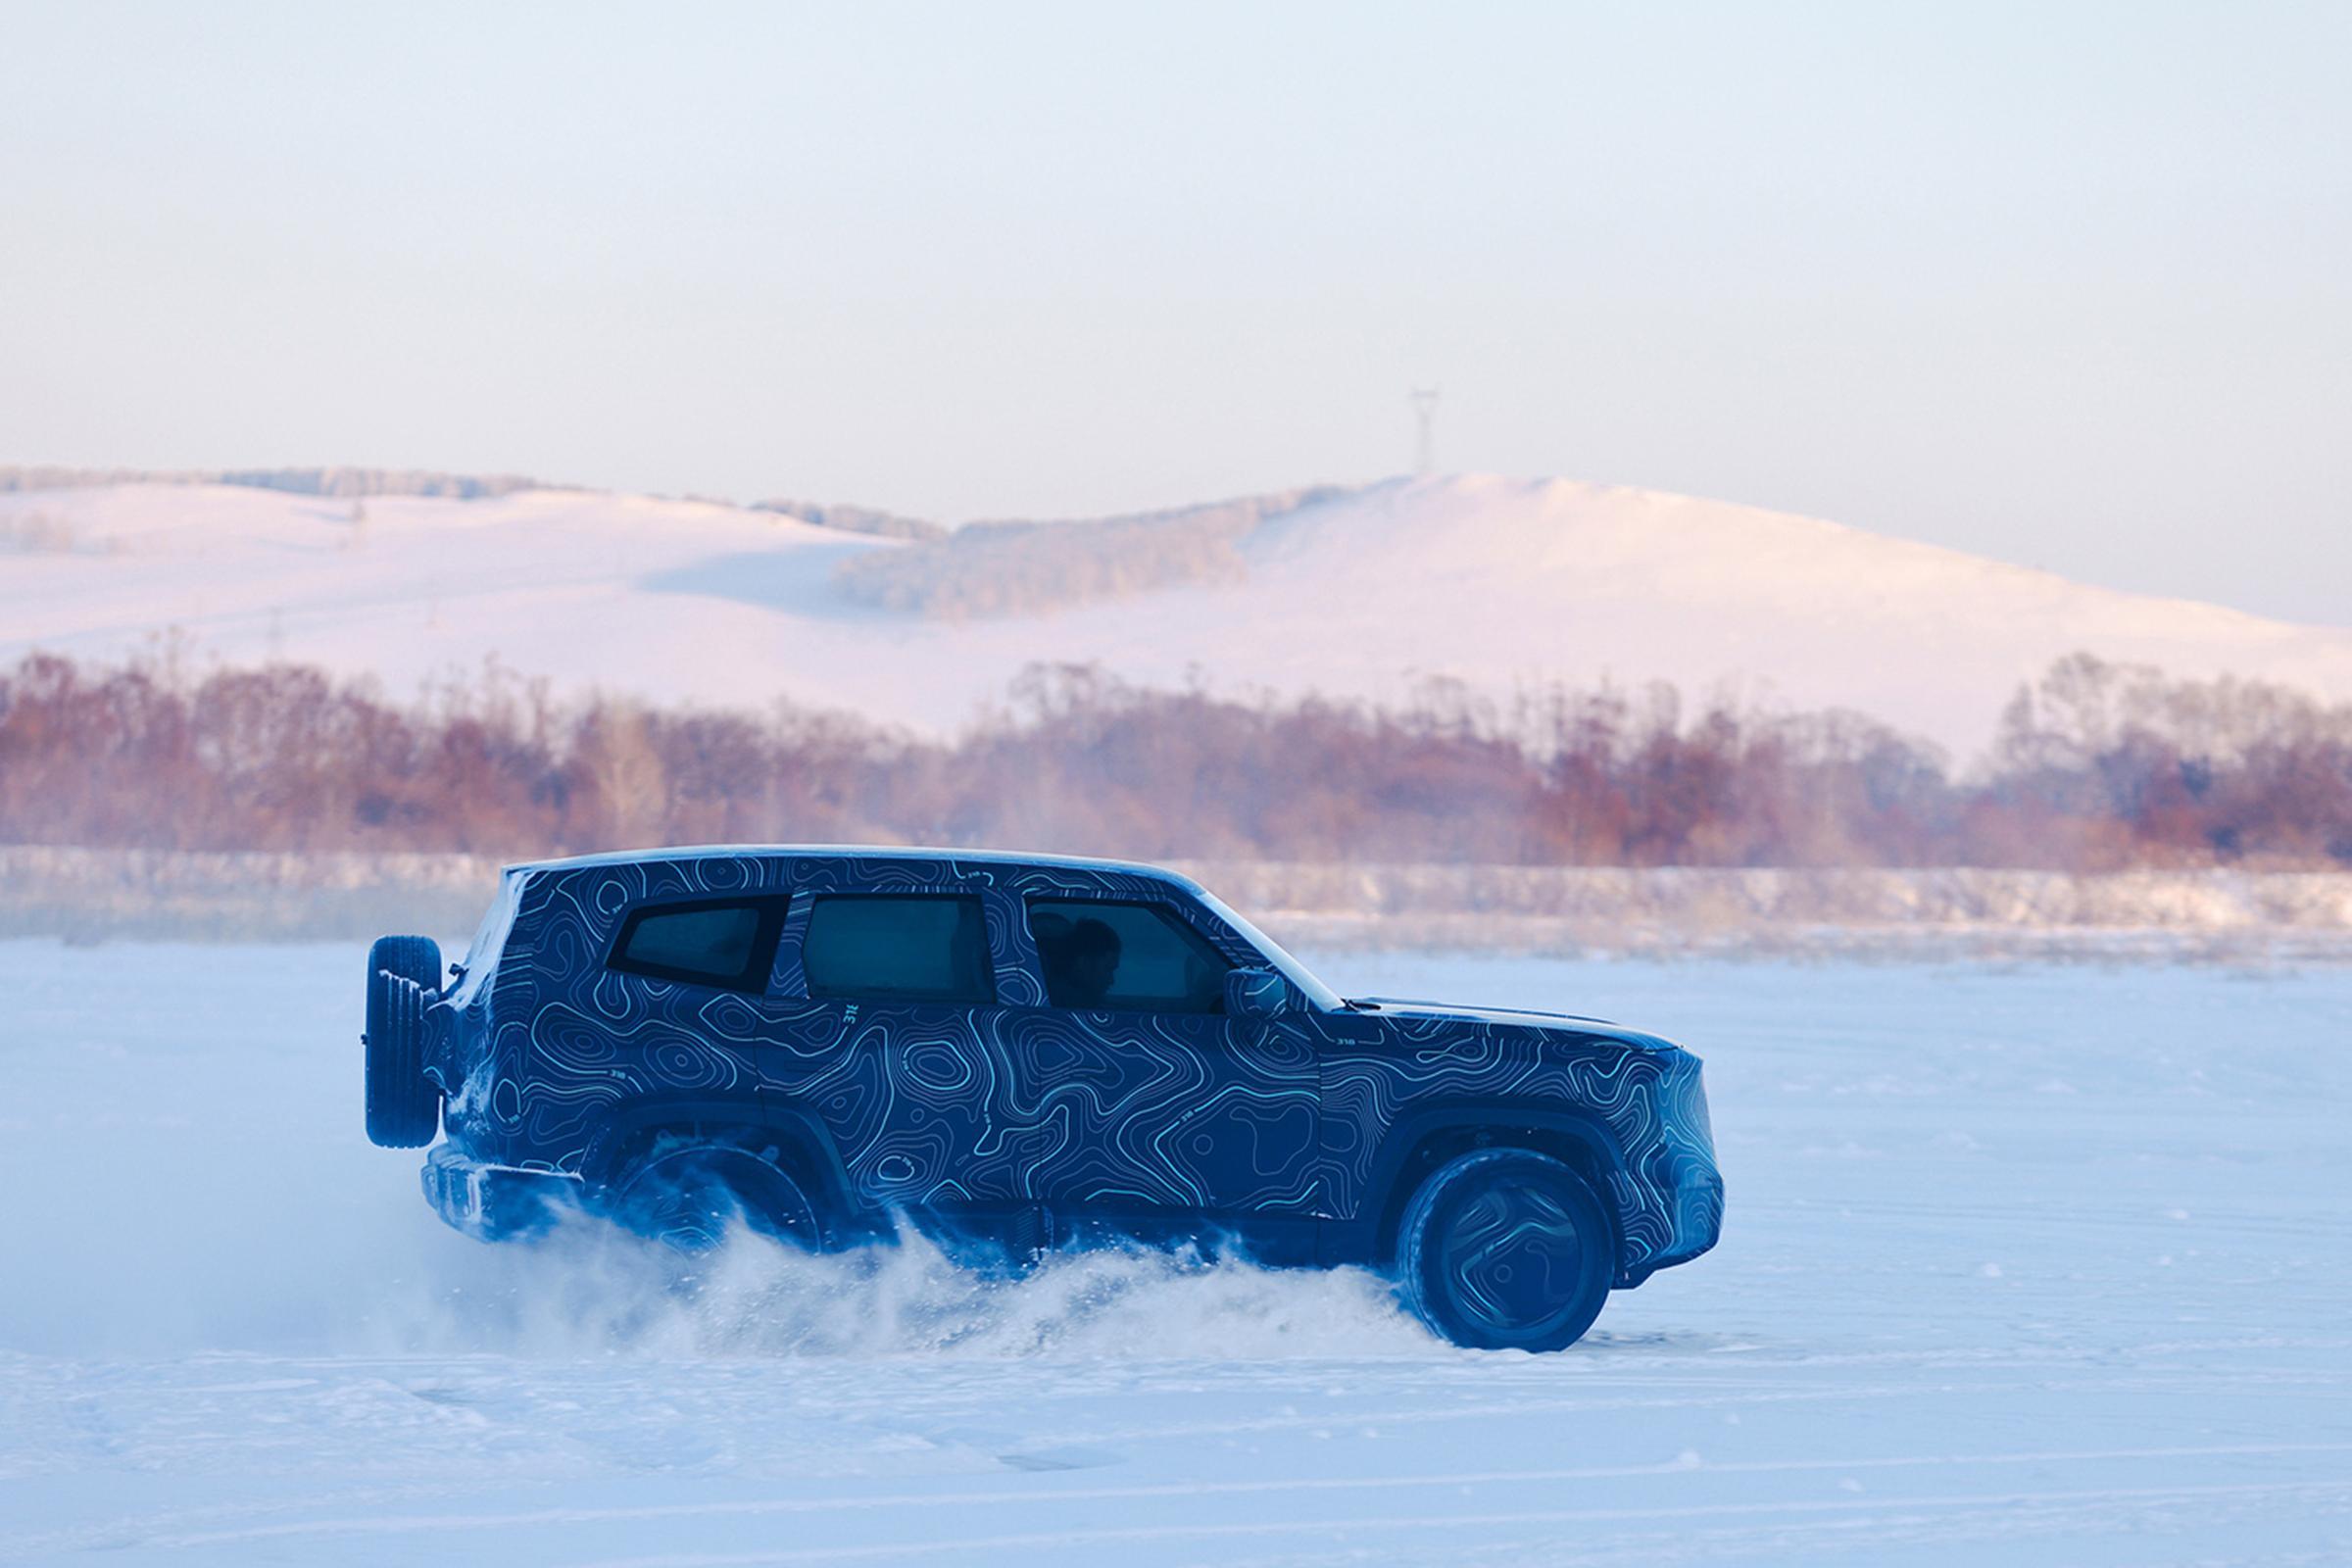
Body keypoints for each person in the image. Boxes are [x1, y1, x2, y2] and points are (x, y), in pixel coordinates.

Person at [1041, 915, 1121, 1006]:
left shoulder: (1046, 998)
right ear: (1083, 963)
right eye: (1107, 969)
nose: (1111, 980)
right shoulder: (1074, 1007)